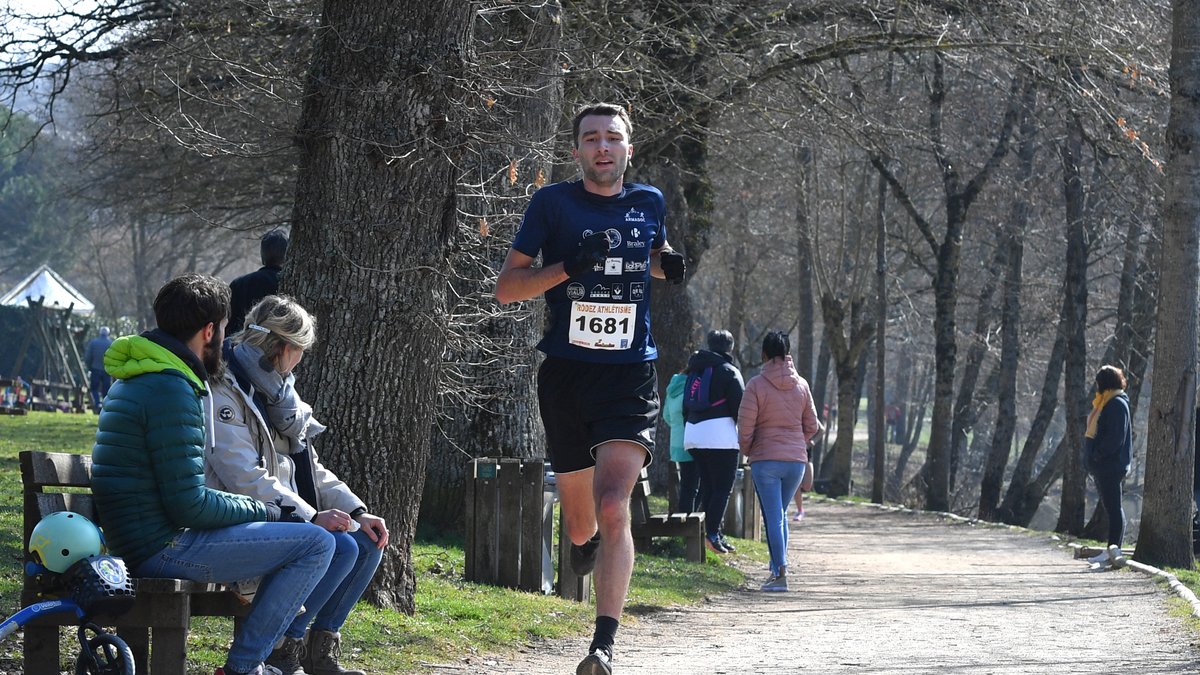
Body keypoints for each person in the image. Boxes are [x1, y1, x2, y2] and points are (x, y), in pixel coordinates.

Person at [494, 102, 686, 675]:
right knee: (583, 525)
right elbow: (507, 288)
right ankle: (583, 545)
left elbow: (650, 257)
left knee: (613, 503)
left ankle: (603, 645)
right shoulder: (552, 204)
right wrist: (566, 267)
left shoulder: (649, 201)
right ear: (577, 150)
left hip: (629, 374)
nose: (603, 147)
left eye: (613, 138)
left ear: (629, 148)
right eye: (592, 138)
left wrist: (666, 266)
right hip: (567, 375)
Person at [90, 274, 336, 675]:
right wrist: (268, 511)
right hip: (161, 547)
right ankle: (244, 668)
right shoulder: (172, 389)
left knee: (309, 540)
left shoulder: (144, 375)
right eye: (223, 329)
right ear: (209, 331)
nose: (224, 339)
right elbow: (189, 506)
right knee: (316, 544)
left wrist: (266, 512)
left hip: (140, 539)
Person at [207, 295, 389, 675]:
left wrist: (356, 510)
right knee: (337, 546)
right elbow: (244, 478)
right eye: (301, 349)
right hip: (241, 517)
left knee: (366, 542)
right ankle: (283, 650)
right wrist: (310, 517)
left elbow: (311, 468)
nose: (301, 359)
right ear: (284, 348)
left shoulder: (280, 394)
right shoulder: (225, 388)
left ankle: (317, 652)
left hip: (283, 514)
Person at [737, 331, 821, 592]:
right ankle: (777, 570)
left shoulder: (755, 386)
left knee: (773, 517)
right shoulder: (802, 385)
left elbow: (745, 428)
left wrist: (750, 450)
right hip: (796, 462)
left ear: (764, 354)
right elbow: (813, 426)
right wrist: (796, 442)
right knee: (780, 515)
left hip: (766, 461)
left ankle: (780, 573)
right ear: (787, 353)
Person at [682, 329, 745, 554]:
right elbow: (740, 409)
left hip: (693, 434)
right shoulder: (730, 371)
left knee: (708, 486)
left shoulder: (695, 370)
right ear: (731, 347)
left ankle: (710, 532)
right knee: (722, 488)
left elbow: (685, 406)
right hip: (720, 437)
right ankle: (711, 535)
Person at [1082, 365, 1133, 569]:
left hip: (1111, 465)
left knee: (1114, 509)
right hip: (1105, 465)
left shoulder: (1117, 404)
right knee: (1111, 508)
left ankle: (1113, 549)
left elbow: (1115, 437)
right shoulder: (1107, 402)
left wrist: (1098, 454)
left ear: (1104, 383)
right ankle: (1112, 549)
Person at [229, 229, 289, 334]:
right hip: (276, 342)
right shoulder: (290, 283)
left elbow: (229, 324)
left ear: (263, 254)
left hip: (240, 341)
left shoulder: (238, 284)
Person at [663, 369, 699, 513]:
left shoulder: (672, 388)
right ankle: (689, 520)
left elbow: (666, 415)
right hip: (691, 441)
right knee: (692, 487)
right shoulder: (693, 386)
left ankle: (687, 517)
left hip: (676, 443)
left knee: (687, 484)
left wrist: (677, 427)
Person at [83, 326, 113, 411]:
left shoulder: (93, 342)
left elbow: (88, 357)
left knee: (94, 389)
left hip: (95, 368)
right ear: (108, 333)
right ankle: (105, 406)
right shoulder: (111, 343)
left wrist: (89, 367)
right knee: (106, 390)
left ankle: (97, 404)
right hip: (107, 370)